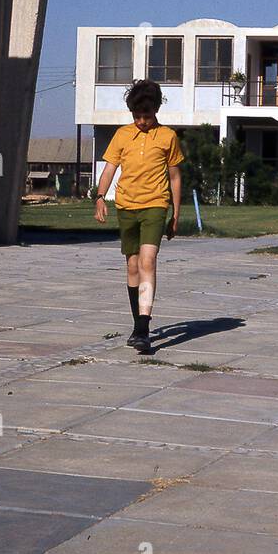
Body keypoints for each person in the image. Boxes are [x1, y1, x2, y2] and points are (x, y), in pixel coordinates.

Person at [94, 79, 183, 352]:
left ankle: (144, 328)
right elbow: (109, 169)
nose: (142, 121)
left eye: (147, 115)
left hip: (156, 205)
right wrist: (100, 196)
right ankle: (137, 326)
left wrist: (175, 214)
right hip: (126, 206)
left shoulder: (167, 136)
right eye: (137, 116)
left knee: (148, 261)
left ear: (156, 110)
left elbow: (175, 177)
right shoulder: (122, 135)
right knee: (132, 266)